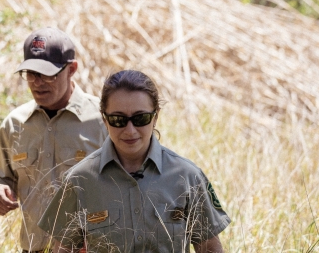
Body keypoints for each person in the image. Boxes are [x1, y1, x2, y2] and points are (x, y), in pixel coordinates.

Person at [38, 69, 230, 253]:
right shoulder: (80, 180)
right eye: (118, 120)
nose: (130, 130)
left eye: (140, 118)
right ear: (104, 120)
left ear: (156, 117)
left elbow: (210, 249)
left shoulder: (187, 177)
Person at [0, 27, 107, 252]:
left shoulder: (104, 120)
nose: (37, 82)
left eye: (47, 74)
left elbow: (131, 183)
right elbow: (1, 178)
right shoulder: (14, 124)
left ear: (72, 69)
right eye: (31, 73)